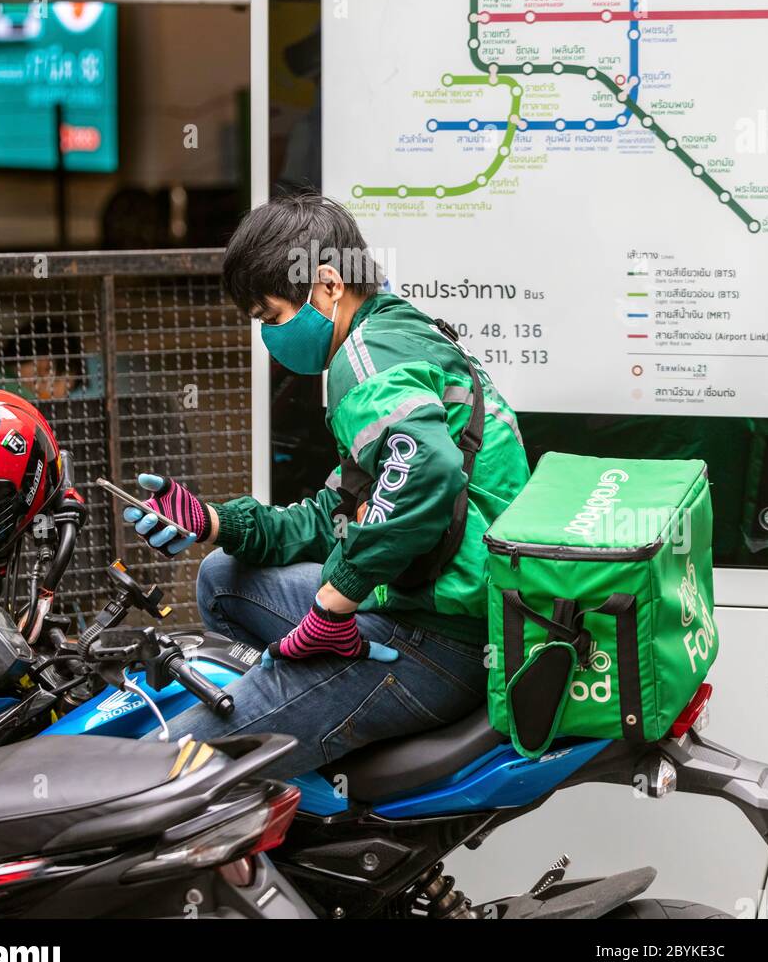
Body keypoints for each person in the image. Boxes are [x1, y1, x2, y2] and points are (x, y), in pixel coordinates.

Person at [124, 192, 530, 777]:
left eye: (271, 316)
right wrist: (213, 522)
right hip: (434, 610)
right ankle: (304, 726)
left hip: (439, 641)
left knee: (157, 770)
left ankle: (297, 727)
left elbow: (425, 467)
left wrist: (333, 602)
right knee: (220, 576)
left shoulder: (366, 358)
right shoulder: (399, 337)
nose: (269, 337)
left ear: (328, 285)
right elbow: (334, 514)